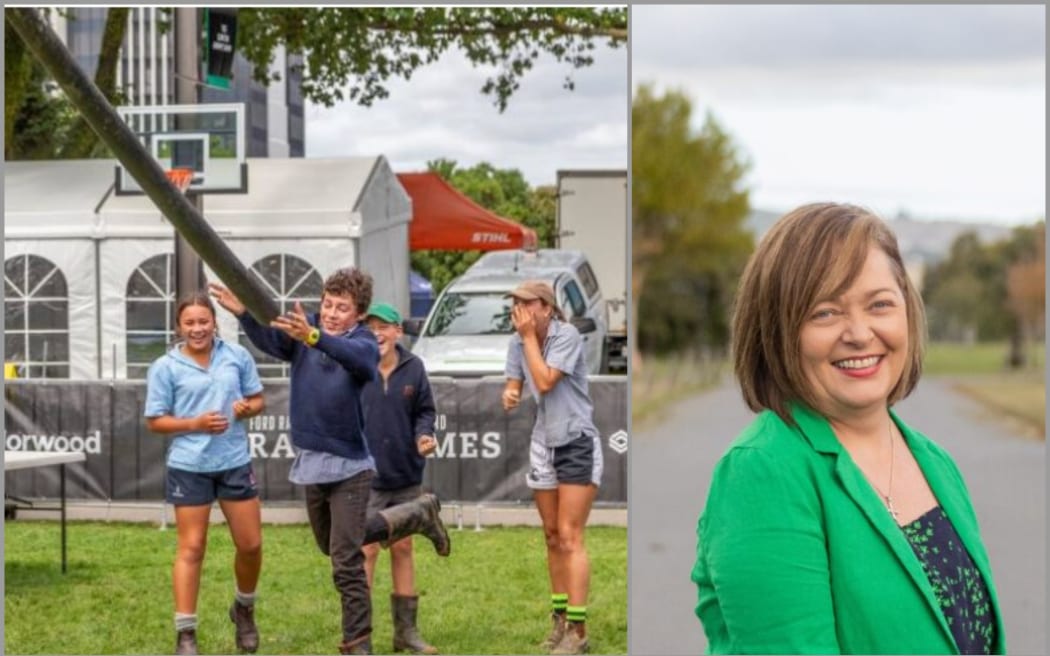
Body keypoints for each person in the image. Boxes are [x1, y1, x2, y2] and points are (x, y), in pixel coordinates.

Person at [692, 203, 1005, 654]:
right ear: (777, 331)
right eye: (825, 312)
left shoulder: (935, 462)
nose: (860, 333)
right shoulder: (763, 472)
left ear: (907, 314)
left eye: (879, 304)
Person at [209, 270, 450, 656]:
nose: (333, 313)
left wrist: (315, 336)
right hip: (312, 462)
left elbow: (353, 357)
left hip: (350, 468)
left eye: (342, 308)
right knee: (331, 544)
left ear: (358, 314)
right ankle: (416, 515)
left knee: (346, 561)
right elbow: (273, 341)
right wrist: (244, 315)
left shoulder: (363, 343)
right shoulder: (307, 335)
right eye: (328, 305)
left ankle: (358, 643)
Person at [144, 292, 266, 656]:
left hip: (233, 461)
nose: (197, 328)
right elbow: (155, 420)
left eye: (203, 321)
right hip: (189, 466)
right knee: (192, 548)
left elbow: (258, 399)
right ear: (178, 327)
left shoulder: (236, 356)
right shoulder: (164, 367)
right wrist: (194, 423)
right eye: (189, 323)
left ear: (214, 322)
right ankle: (186, 634)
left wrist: (248, 408)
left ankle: (243, 609)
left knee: (251, 545)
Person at [501, 280, 603, 656]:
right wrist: (510, 393)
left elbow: (544, 382)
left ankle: (579, 631)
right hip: (543, 440)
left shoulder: (567, 336)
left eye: (525, 304)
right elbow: (516, 383)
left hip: (576, 439)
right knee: (551, 535)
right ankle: (559, 622)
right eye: (514, 304)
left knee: (570, 534)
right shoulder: (517, 342)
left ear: (545, 307)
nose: (518, 311)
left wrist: (528, 337)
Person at [361, 302, 440, 655]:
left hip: (407, 473)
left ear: (398, 332)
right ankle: (358, 635)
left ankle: (405, 634)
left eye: (384, 326)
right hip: (364, 477)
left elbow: (425, 411)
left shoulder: (415, 367)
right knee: (366, 551)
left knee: (404, 547)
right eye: (371, 326)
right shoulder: (356, 365)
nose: (377, 333)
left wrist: (424, 435)